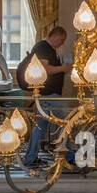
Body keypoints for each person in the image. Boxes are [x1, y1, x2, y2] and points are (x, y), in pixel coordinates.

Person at [19, 26, 74, 167]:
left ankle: (30, 158)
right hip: (49, 96)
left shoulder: (48, 49)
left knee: (40, 127)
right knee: (67, 122)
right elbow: (45, 69)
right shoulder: (43, 47)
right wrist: (63, 68)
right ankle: (68, 157)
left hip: (47, 95)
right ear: (55, 36)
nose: (62, 43)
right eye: (61, 40)